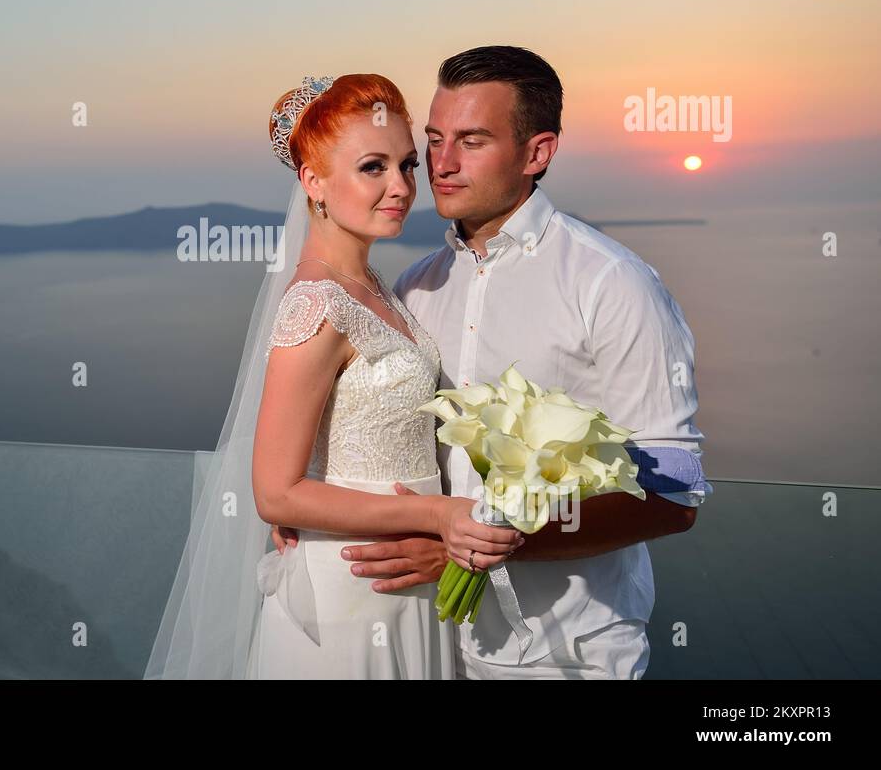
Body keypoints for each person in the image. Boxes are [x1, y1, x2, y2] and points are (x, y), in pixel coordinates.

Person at [335, 46, 714, 679]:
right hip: (430, 640)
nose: (442, 164)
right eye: (434, 140)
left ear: (537, 153)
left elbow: (674, 495)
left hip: (568, 653)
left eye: (472, 141)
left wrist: (477, 549)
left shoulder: (612, 285)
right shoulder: (413, 290)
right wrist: (309, 512)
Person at [144, 74, 521, 679]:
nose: (400, 187)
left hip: (404, 584)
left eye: (405, 165)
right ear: (313, 181)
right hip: (350, 592)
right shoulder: (316, 304)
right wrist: (441, 515)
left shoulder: (378, 290)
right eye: (373, 167)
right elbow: (275, 492)